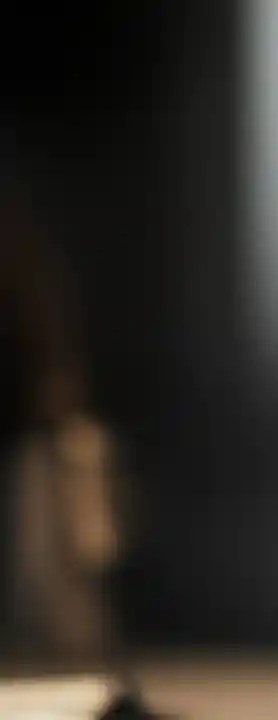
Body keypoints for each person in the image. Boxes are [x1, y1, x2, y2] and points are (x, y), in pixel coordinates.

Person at [0, 203, 122, 668]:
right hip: (25, 422)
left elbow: (41, 323)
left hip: (26, 429)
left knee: (45, 552)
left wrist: (56, 388)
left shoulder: (16, 249)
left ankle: (65, 657)